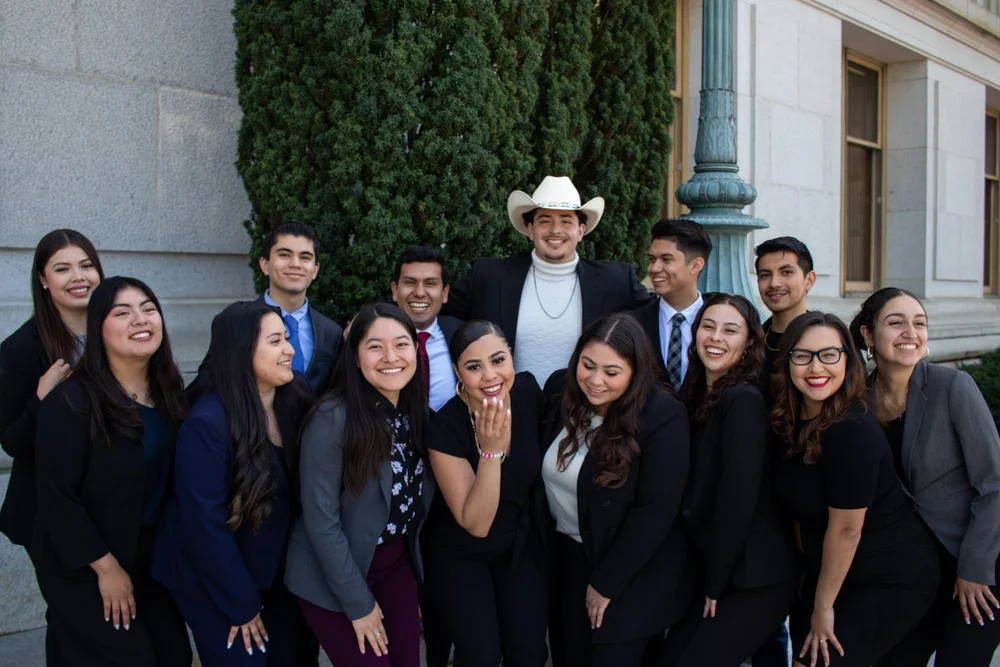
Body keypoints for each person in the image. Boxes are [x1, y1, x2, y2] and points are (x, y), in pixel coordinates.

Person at [33, 276, 192, 667]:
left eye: (148, 309)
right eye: (123, 313)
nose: (140, 320)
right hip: (87, 563)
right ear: (98, 329)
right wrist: (107, 569)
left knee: (172, 653)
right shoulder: (72, 401)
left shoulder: (170, 392)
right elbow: (56, 498)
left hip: (148, 559)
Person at [769, 312, 939, 667]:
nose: (816, 367)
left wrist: (823, 606)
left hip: (887, 575)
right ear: (787, 363)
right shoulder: (791, 421)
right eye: (802, 356)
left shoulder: (851, 429)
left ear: (849, 359)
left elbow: (847, 529)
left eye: (829, 354)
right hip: (829, 571)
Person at [151, 301, 316, 665]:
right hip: (210, 576)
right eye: (275, 341)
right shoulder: (208, 424)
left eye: (286, 338)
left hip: (272, 566)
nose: (289, 349)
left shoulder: (294, 394)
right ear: (242, 351)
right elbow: (203, 526)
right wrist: (241, 606)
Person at [850, 288, 1000, 667]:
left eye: (919, 323)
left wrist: (973, 570)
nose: (910, 332)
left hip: (975, 565)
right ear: (868, 335)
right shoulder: (856, 401)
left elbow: (994, 483)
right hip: (910, 575)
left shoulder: (953, 388)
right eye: (895, 322)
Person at [284, 303, 435, 667]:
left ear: (415, 350)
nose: (390, 357)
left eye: (401, 344)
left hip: (393, 564)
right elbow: (322, 521)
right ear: (354, 356)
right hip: (333, 570)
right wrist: (359, 605)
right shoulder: (332, 418)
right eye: (374, 346)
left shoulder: (414, 413)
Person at [540, 313, 695, 667]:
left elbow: (655, 510)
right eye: (587, 365)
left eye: (611, 373)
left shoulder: (662, 416)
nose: (594, 381)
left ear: (636, 372)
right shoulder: (559, 393)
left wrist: (607, 582)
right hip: (569, 560)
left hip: (633, 567)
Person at [658, 294, 799, 667]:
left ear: (749, 343)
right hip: (720, 567)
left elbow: (738, 499)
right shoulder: (695, 394)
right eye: (708, 326)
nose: (716, 337)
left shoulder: (743, 400)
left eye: (730, 330)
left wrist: (715, 584)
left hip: (754, 573)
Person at [420, 320, 549, 667]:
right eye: (474, 367)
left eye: (498, 360)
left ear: (511, 357)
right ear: (457, 372)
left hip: (518, 547)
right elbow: (475, 523)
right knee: (480, 656)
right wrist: (489, 452)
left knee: (530, 653)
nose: (490, 376)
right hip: (462, 554)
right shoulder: (445, 429)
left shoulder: (527, 393)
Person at [443, 176, 651, 386]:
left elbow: (657, 322)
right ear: (531, 230)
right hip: (508, 409)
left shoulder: (616, 280)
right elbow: (441, 314)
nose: (555, 230)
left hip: (584, 409)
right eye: (545, 221)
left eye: (566, 220)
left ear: (581, 231)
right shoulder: (488, 275)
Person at [1, 229, 104, 552]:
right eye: (62, 269)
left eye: (86, 265)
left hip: (110, 501)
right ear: (43, 279)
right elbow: (13, 442)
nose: (78, 277)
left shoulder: (117, 329)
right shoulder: (20, 349)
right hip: (50, 513)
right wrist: (41, 399)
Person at [188, 222, 343, 403]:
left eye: (305, 257)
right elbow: (208, 382)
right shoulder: (236, 321)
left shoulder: (331, 332)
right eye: (284, 255)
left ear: (315, 270)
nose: (295, 264)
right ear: (265, 265)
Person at [631, 218, 712, 391]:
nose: (654, 268)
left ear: (696, 265)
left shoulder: (721, 322)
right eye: (652, 259)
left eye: (666, 260)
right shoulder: (633, 324)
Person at [391, 246, 462, 412]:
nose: (420, 293)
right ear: (395, 290)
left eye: (430, 284)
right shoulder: (372, 338)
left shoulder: (461, 334)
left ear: (444, 293)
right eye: (410, 283)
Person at [755, 236, 816, 384]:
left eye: (786, 272)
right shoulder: (751, 345)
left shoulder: (830, 341)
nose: (774, 283)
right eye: (765, 275)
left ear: (809, 280)